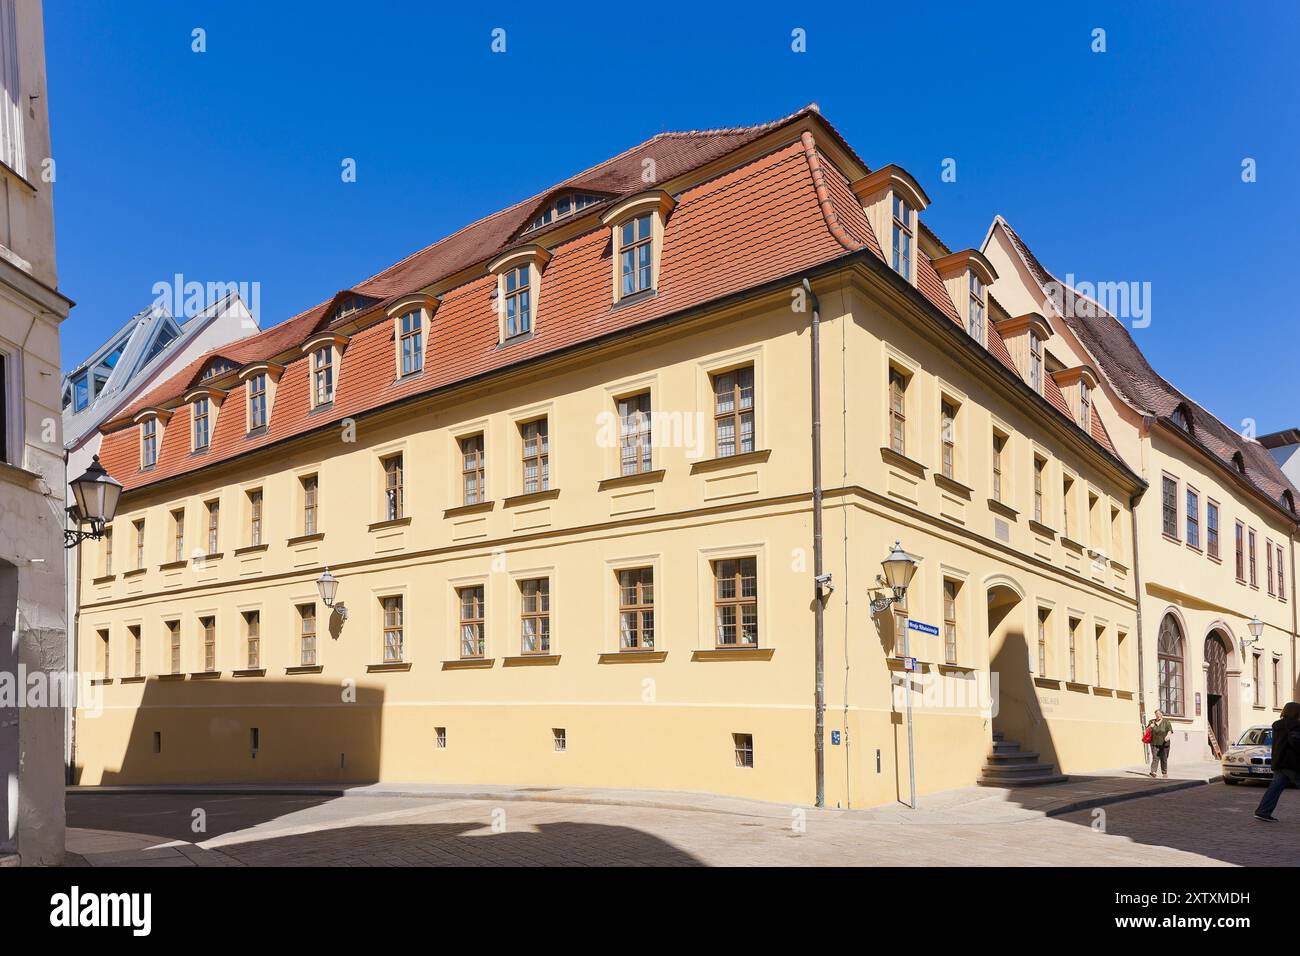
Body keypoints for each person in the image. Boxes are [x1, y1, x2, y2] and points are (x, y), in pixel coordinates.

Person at [1254, 701, 1300, 822]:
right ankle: (1263, 811)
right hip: (1292, 763)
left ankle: (1263, 812)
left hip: (1279, 761)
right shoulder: (1296, 726)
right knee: (1275, 788)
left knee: (1274, 788)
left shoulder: (1277, 725)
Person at [1146, 710, 1173, 777]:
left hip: (1164, 743)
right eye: (1156, 714)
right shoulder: (1152, 721)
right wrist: (1150, 727)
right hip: (1154, 743)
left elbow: (1170, 731)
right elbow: (1147, 730)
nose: (1157, 715)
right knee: (1155, 757)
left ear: (1161, 714)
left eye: (1159, 713)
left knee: (1164, 758)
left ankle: (1164, 772)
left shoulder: (1166, 722)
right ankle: (1153, 772)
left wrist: (1168, 736)